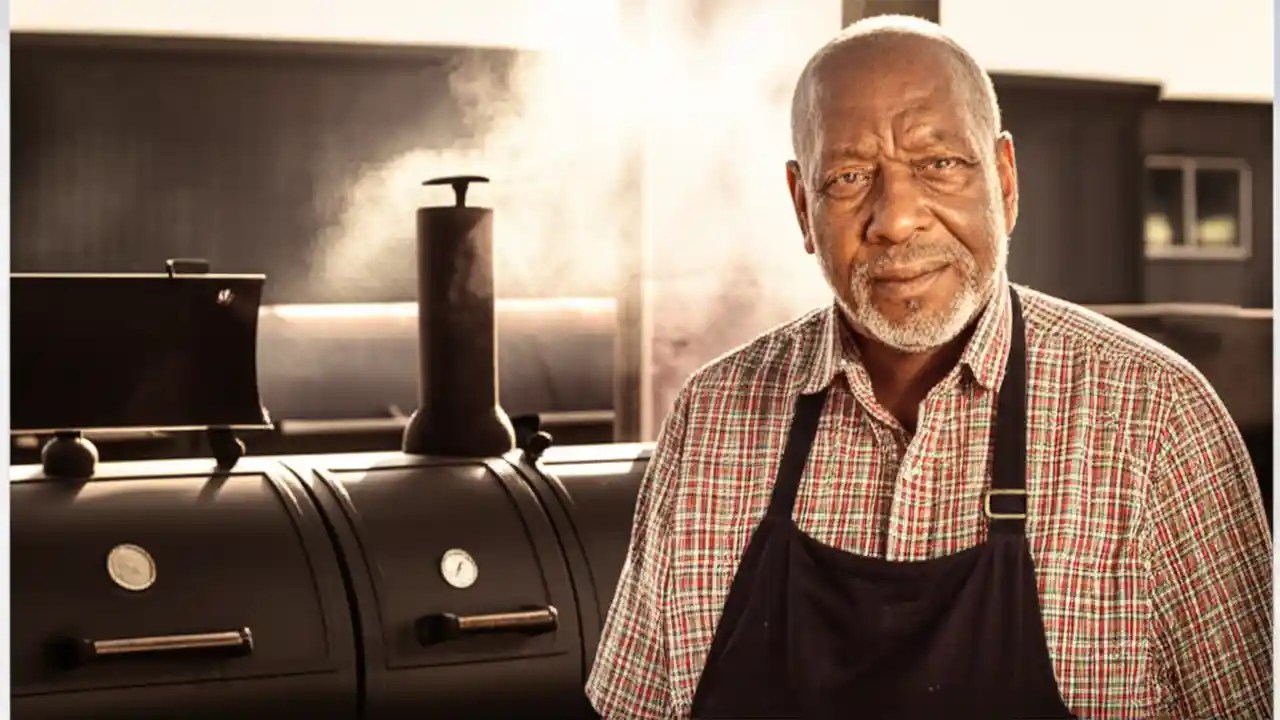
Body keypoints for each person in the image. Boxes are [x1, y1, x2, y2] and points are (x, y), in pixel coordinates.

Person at [584, 13, 1273, 720]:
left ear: (1004, 180)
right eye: (850, 176)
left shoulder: (1157, 421)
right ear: (801, 206)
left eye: (938, 164)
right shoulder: (710, 423)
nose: (897, 217)